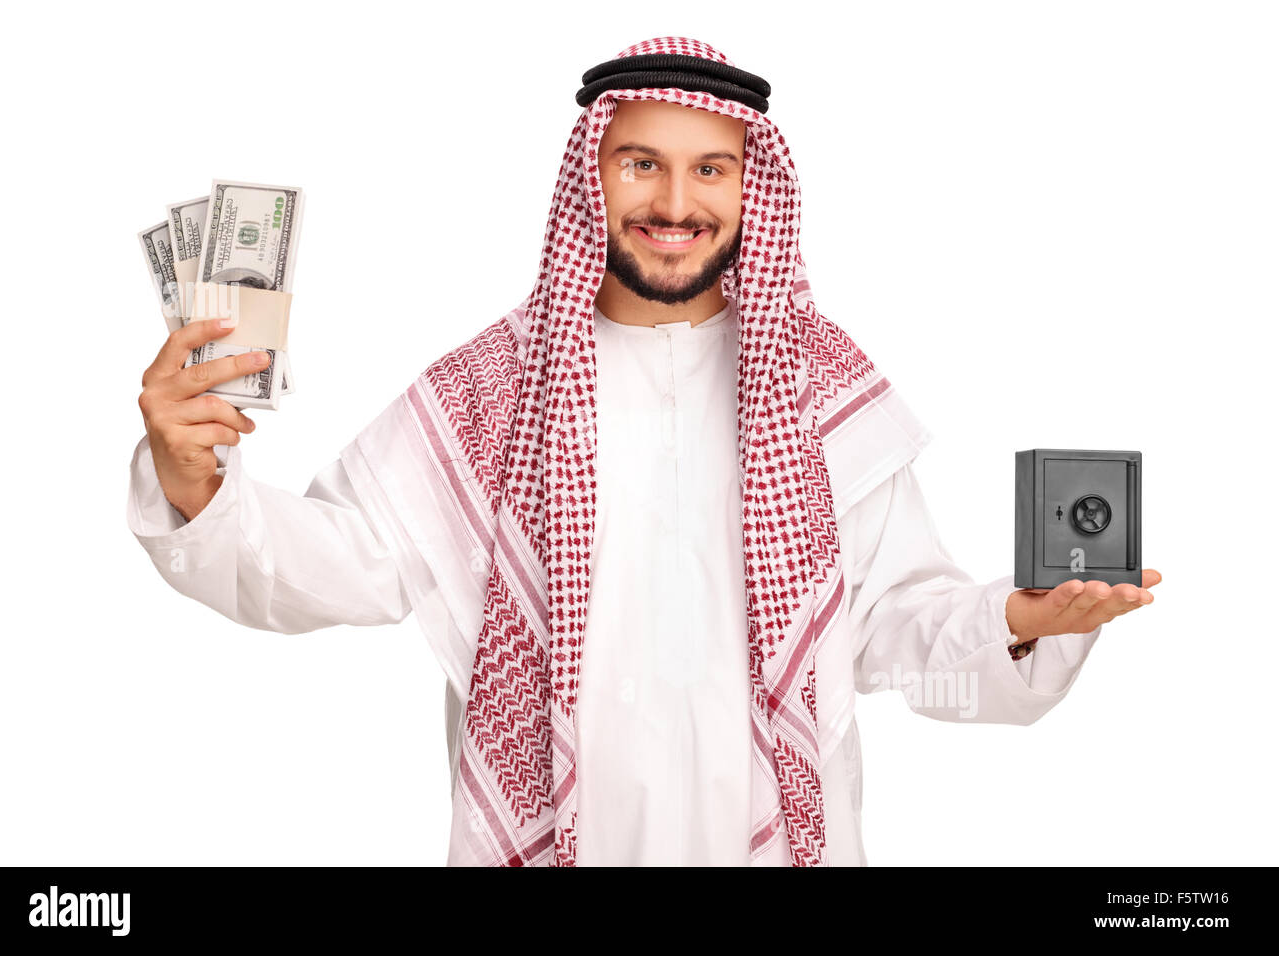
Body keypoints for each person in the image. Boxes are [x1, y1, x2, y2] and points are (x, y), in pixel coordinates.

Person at [128, 36, 1160, 866]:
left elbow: (897, 641)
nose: (676, 202)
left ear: (750, 187)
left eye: (710, 168)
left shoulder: (820, 390)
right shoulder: (494, 391)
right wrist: (193, 479)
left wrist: (1023, 622)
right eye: (643, 164)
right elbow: (334, 565)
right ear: (594, 177)